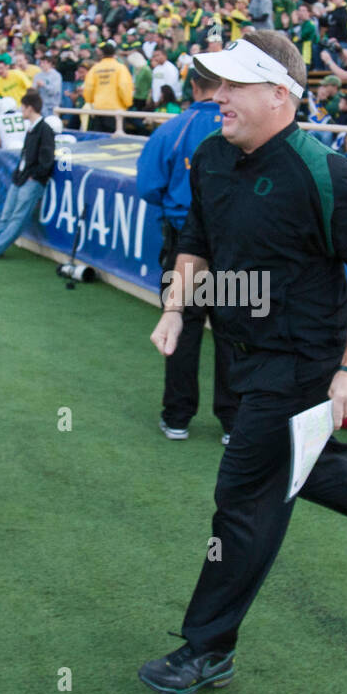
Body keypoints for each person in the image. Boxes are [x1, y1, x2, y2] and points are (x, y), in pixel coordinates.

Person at [138, 30, 347, 694]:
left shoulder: (325, 173)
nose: (216, 97)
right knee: (302, 463)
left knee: (244, 500)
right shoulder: (211, 156)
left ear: (278, 94)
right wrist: (175, 309)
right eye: (216, 83)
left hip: (300, 363)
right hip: (237, 356)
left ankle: (207, 649)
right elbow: (195, 242)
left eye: (232, 86)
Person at [134, 62, 236, 443]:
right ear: (224, 85)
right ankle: (234, 422)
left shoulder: (172, 129)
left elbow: (147, 186)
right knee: (234, 332)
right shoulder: (241, 127)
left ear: (193, 86)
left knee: (180, 328)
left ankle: (177, 418)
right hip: (233, 247)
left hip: (181, 243)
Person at [0, 91, 56, 259]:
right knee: (7, 216)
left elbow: (46, 161)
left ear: (30, 108)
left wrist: (33, 176)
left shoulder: (44, 130)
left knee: (17, 218)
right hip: (22, 178)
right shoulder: (32, 128)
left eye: (23, 108)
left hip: (31, 180)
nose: (21, 111)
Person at [83, 41, 133, 133]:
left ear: (102, 54)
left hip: (99, 109)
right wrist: (127, 103)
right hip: (116, 110)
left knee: (99, 141)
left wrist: (89, 101)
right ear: (114, 54)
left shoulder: (95, 68)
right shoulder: (120, 68)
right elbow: (124, 87)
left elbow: (89, 87)